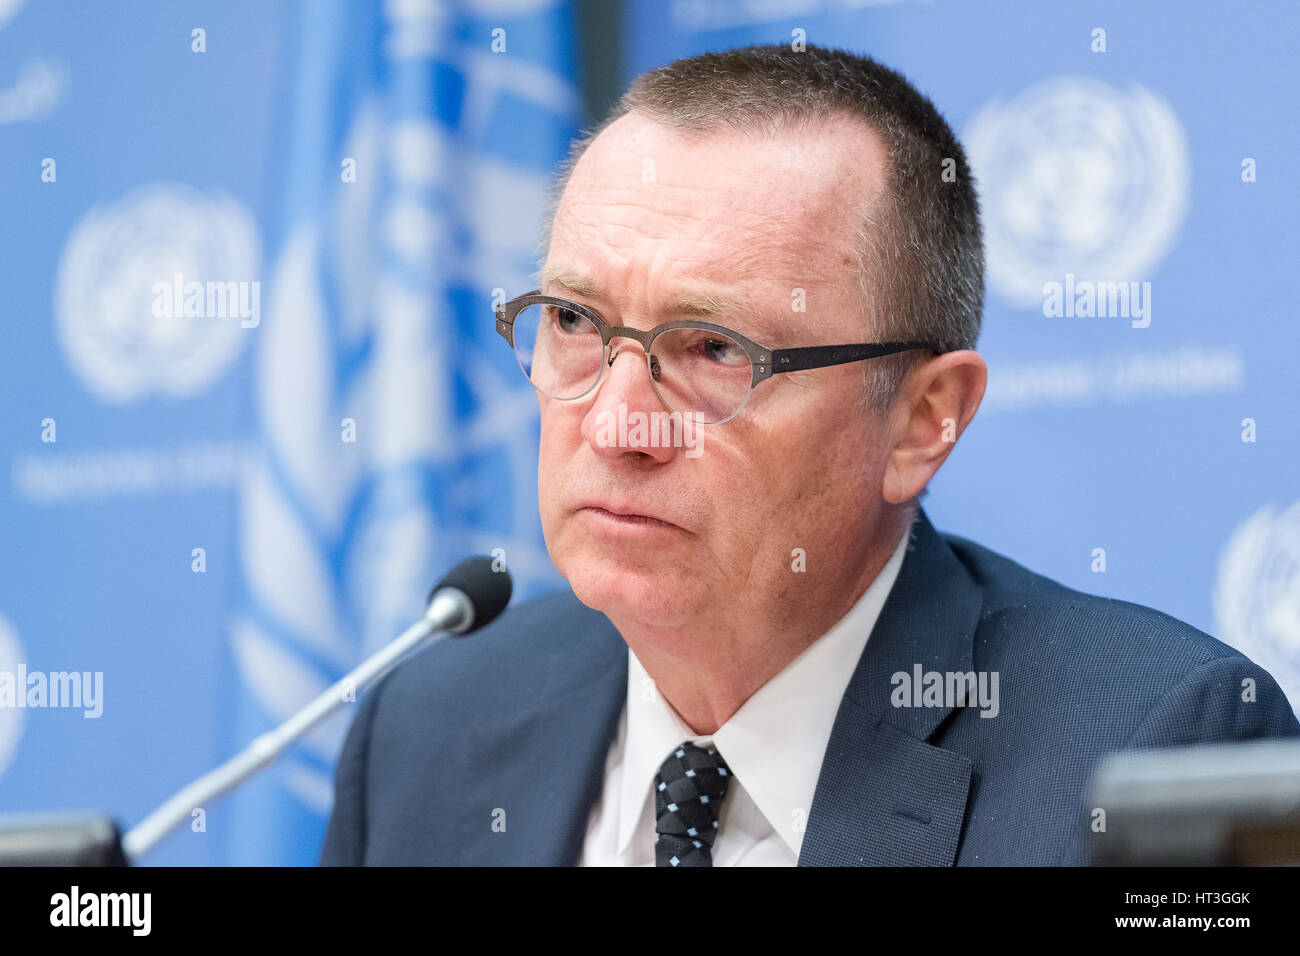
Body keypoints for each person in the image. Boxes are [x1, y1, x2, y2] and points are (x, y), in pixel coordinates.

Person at [319, 44, 1298, 866]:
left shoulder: (1149, 748)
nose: (618, 424)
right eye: (574, 320)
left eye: (713, 349)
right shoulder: (428, 729)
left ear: (923, 419)